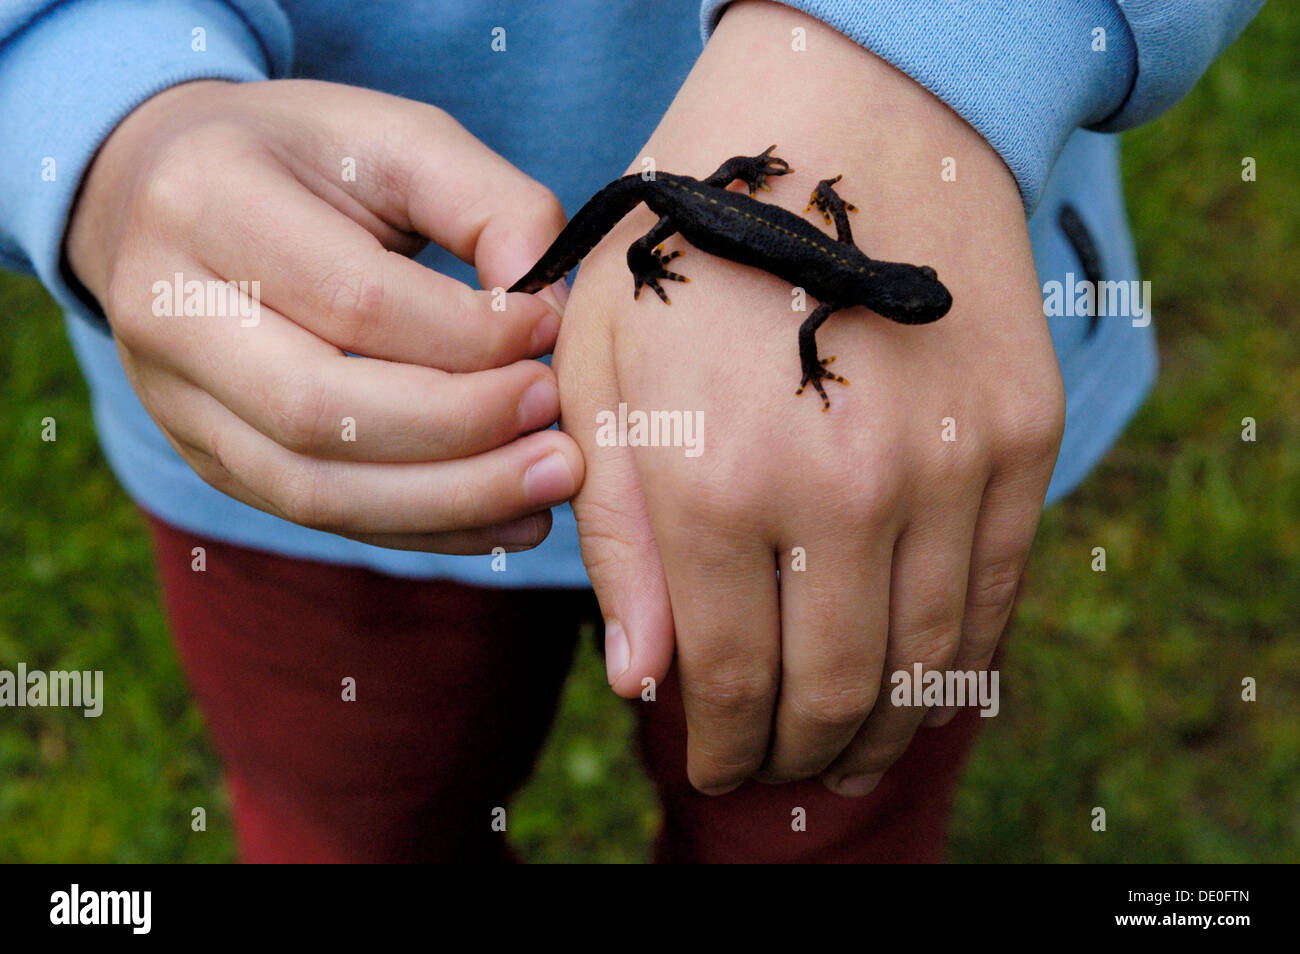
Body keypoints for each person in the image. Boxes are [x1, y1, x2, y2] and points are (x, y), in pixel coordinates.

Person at [0, 0, 1264, 862]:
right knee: (355, 813)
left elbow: (824, 268)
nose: (904, 307)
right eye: (903, 307)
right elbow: (805, 305)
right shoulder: (840, 280)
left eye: (906, 309)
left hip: (732, 270)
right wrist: (80, 90)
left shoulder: (856, 273)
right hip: (346, 472)